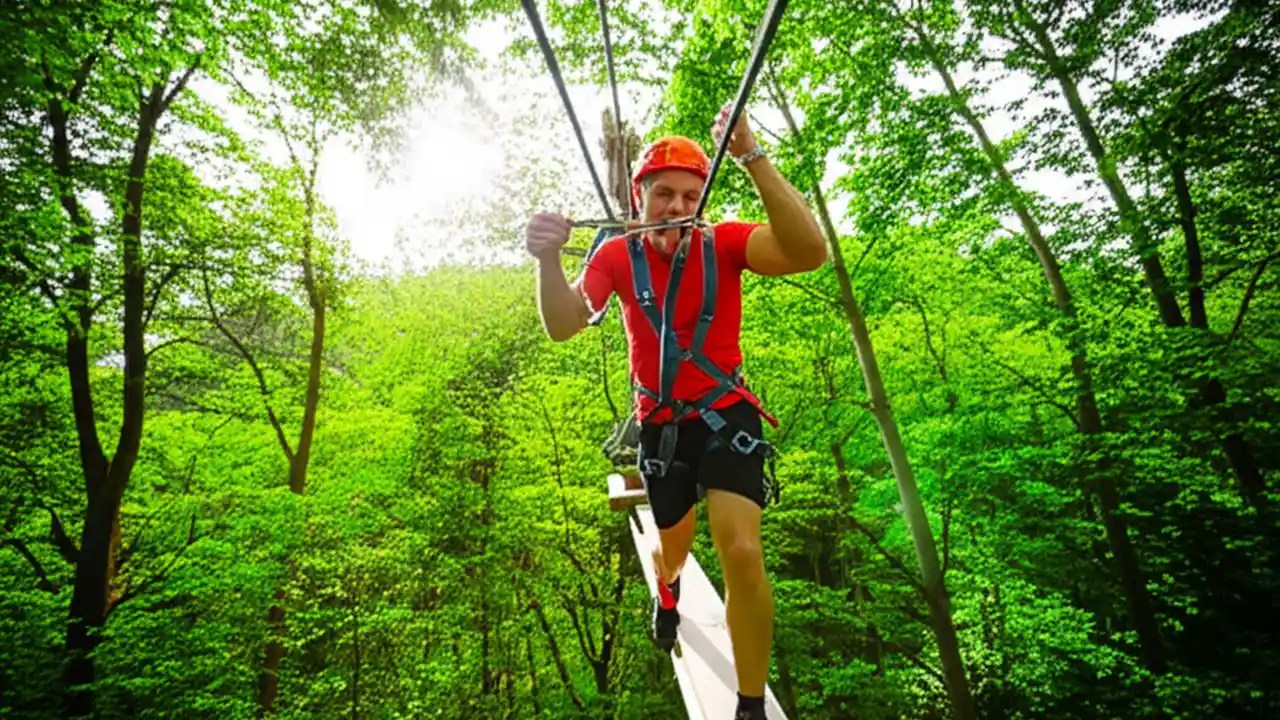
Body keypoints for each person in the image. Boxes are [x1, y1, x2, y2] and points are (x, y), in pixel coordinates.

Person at [524, 104, 826, 720]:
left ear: (704, 198)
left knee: (742, 551)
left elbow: (807, 251)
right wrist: (547, 260)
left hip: (725, 413)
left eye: (690, 194)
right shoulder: (616, 254)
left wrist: (751, 155)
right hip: (661, 426)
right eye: (662, 193)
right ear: (639, 200)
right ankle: (668, 591)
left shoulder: (726, 242)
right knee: (674, 546)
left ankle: (747, 704)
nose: (676, 206)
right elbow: (563, 325)